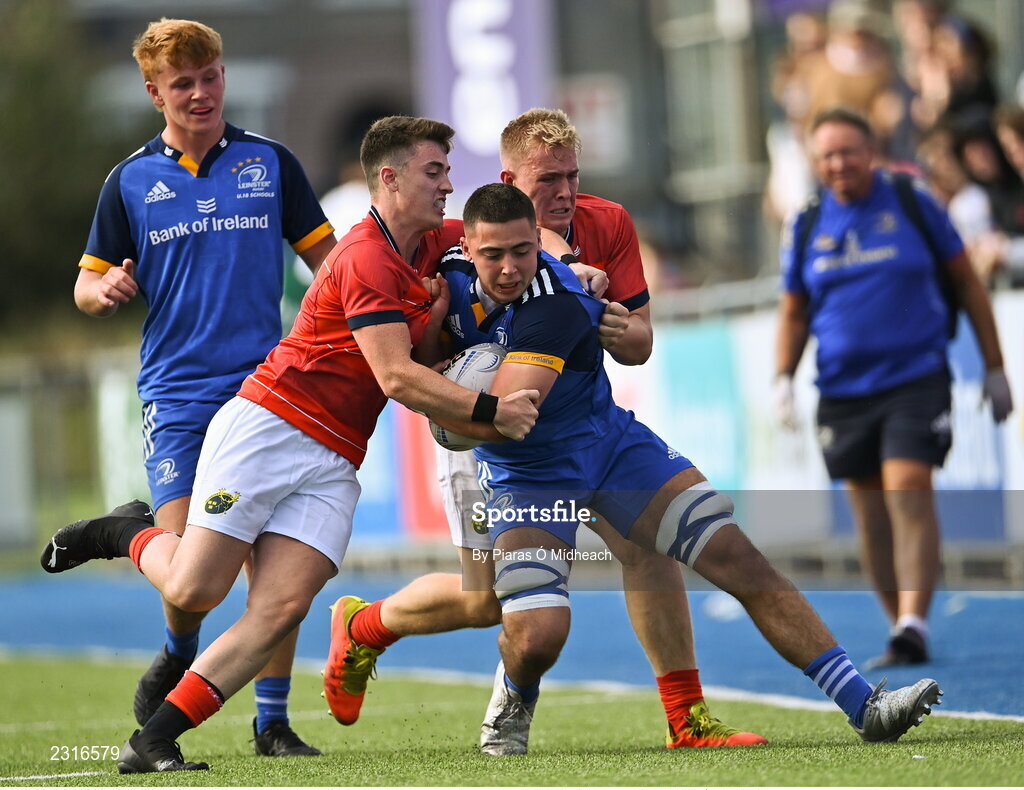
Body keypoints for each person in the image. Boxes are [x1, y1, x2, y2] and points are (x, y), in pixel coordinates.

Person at [39, 116, 541, 773]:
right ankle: (123, 532)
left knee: (280, 608)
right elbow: (396, 377)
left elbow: (510, 238)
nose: (449, 185)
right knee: (194, 591)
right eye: (435, 172)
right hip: (272, 428)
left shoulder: (432, 241)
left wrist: (577, 272)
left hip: (335, 458)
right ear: (389, 179)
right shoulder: (364, 255)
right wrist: (492, 410)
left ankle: (152, 739)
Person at [393, 181, 945, 755]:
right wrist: (434, 323)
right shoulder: (446, 272)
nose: (509, 268)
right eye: (492, 255)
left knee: (735, 554)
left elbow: (509, 415)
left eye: (521, 252)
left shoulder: (558, 302)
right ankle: (513, 694)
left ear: (539, 243)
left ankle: (864, 704)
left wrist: (442, 411)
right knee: (538, 637)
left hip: (605, 446)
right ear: (467, 246)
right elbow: (423, 355)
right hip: (526, 475)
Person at [325, 109, 764, 750]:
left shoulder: (606, 222)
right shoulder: (458, 231)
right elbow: (412, 340)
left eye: (570, 179)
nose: (561, 195)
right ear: (510, 184)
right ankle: (365, 626)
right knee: (488, 603)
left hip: (573, 431)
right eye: (545, 183)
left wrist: (612, 318)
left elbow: (640, 339)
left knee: (646, 548)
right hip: (477, 429)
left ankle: (685, 718)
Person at [55, 18, 337, 757]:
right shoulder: (130, 181)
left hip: (267, 392)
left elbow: (333, 267)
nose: (202, 92)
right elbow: (85, 284)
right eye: (183, 82)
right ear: (155, 94)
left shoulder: (271, 163)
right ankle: (137, 554)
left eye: (210, 75)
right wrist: (104, 285)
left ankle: (271, 722)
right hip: (178, 397)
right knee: (188, 580)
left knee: (271, 563)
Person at [773, 107, 1013, 668]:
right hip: (841, 388)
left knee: (907, 487)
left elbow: (967, 284)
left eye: (849, 151)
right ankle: (899, 627)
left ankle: (914, 622)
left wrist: (997, 367)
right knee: (869, 515)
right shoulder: (807, 222)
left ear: (871, 151)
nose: (839, 163)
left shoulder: (912, 202)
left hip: (915, 377)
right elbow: (793, 311)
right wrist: (783, 378)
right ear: (815, 161)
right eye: (827, 154)